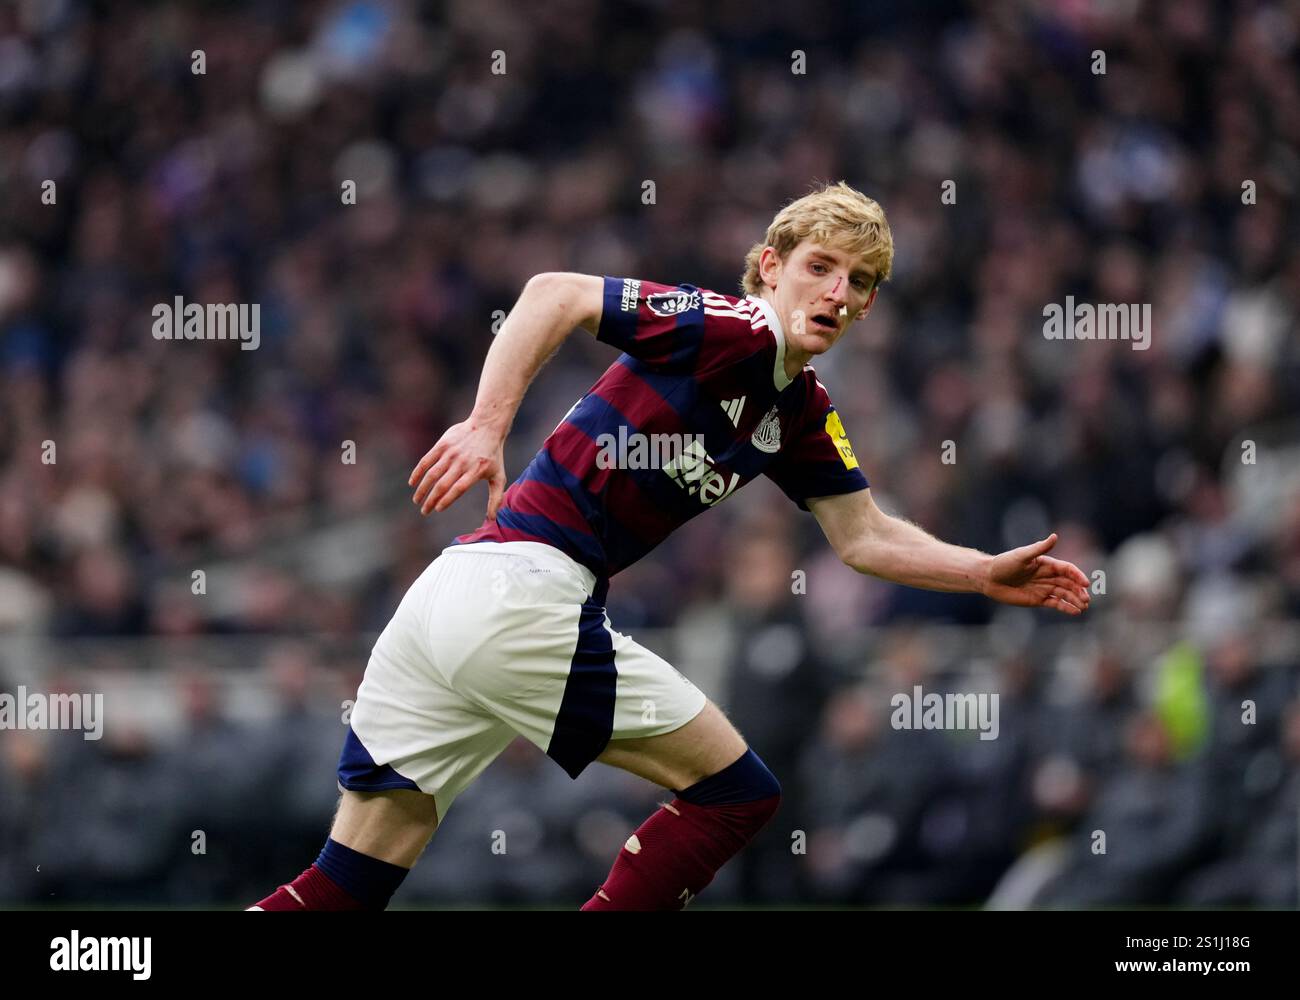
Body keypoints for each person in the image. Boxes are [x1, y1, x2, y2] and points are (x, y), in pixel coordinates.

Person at [250, 181, 1091, 911]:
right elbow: (552, 293)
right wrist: (484, 425)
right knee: (736, 794)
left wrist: (981, 572)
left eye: (860, 281)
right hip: (519, 591)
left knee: (346, 885)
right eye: (820, 267)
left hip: (450, 600)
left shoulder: (799, 409)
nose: (839, 291)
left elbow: (863, 537)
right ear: (770, 265)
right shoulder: (735, 329)